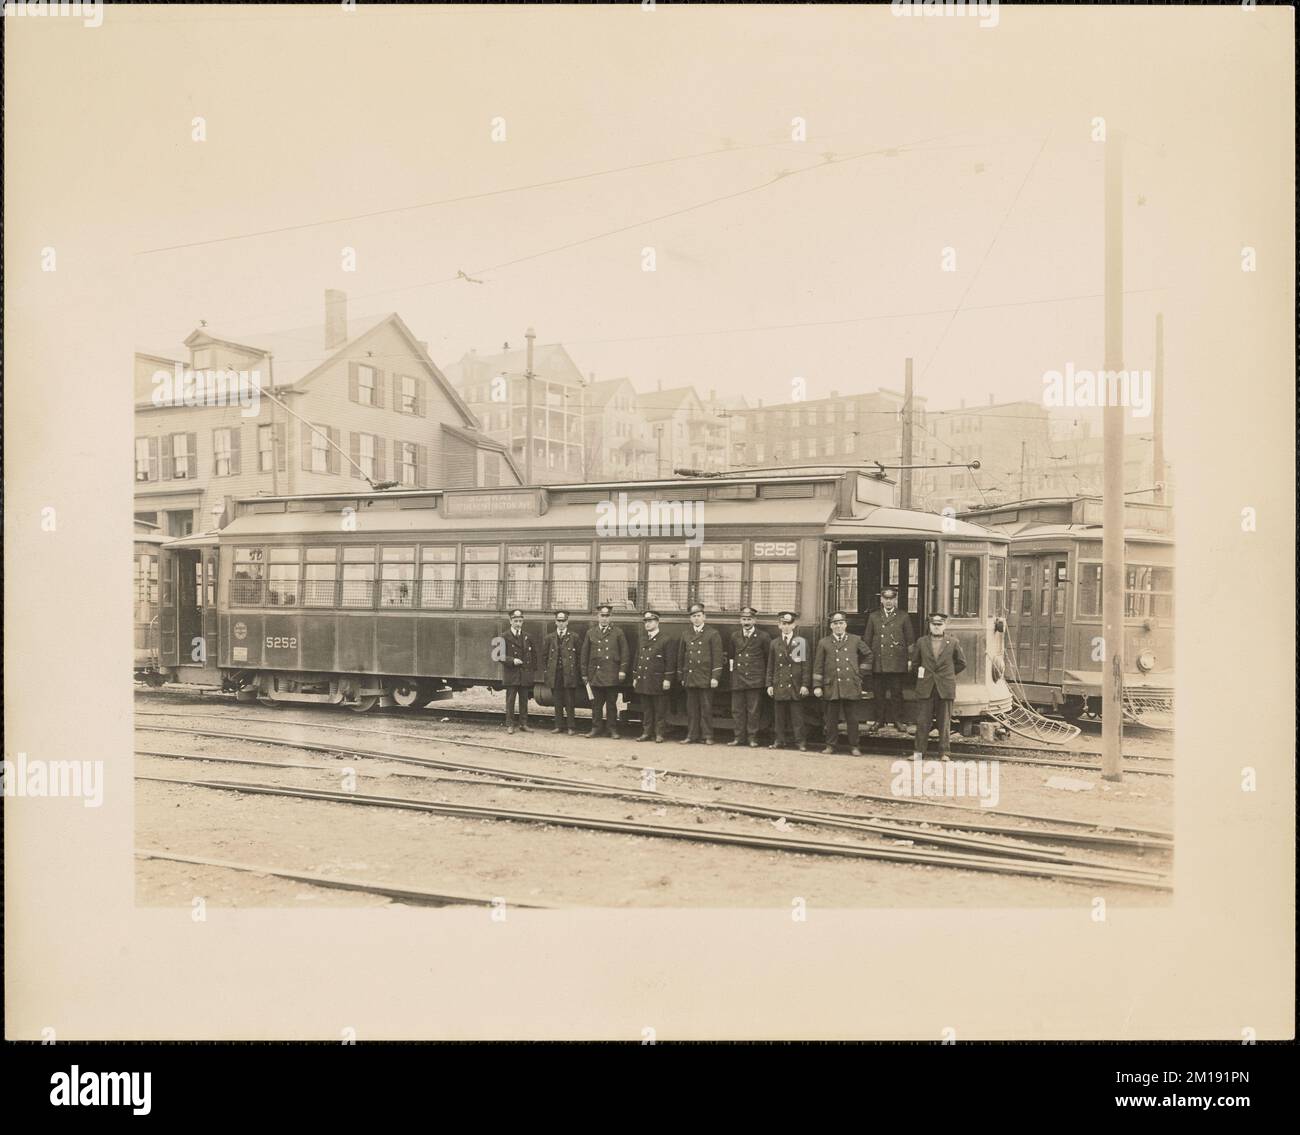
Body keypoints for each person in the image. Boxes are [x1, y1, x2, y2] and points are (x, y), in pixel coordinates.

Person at [812, 611, 872, 756]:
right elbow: (818, 665)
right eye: (835, 624)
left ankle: (854, 746)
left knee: (852, 718)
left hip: (850, 684)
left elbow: (869, 655)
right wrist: (817, 686)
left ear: (845, 625)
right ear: (831, 626)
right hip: (831, 685)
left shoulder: (855, 639)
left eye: (840, 623)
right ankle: (830, 745)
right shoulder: (824, 642)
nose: (838, 626)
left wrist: (859, 673)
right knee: (831, 718)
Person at [910, 612, 967, 761]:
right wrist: (925, 676)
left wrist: (947, 675)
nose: (936, 627)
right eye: (934, 625)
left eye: (939, 624)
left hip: (945, 688)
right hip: (926, 687)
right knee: (922, 722)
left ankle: (944, 753)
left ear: (944, 626)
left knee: (944, 722)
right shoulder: (921, 642)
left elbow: (962, 663)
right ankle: (918, 753)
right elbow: (915, 664)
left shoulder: (953, 642)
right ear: (929, 626)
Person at [863, 587, 916, 734]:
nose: (888, 601)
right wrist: (868, 661)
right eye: (885, 598)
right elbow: (867, 640)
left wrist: (910, 660)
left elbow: (910, 641)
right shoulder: (874, 617)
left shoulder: (903, 616)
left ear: (895, 600)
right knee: (878, 693)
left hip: (897, 662)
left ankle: (898, 720)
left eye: (891, 598)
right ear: (881, 599)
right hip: (878, 661)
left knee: (896, 693)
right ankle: (879, 720)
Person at [677, 602, 724, 744]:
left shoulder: (712, 633)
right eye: (693, 616)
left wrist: (715, 677)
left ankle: (708, 736)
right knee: (691, 709)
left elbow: (717, 657)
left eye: (698, 615)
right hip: (690, 676)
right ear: (690, 619)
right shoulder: (686, 634)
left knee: (706, 708)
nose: (696, 619)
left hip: (705, 677)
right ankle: (691, 735)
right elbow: (681, 656)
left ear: (704, 616)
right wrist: (681, 676)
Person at [581, 603, 628, 738]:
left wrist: (622, 670)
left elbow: (625, 653)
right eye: (602, 616)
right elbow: (585, 654)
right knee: (596, 705)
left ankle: (612, 729)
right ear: (598, 616)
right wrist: (584, 673)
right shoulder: (591, 632)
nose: (604, 619)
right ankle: (596, 728)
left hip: (612, 674)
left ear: (610, 617)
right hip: (595, 674)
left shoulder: (618, 632)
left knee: (611, 705)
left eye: (607, 616)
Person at [766, 610, 810, 751]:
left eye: (788, 624)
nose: (785, 627)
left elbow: (805, 665)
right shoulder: (774, 643)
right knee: (779, 717)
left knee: (797, 717)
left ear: (794, 625)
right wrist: (769, 684)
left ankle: (800, 742)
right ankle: (779, 741)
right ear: (779, 626)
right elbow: (770, 665)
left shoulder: (800, 642)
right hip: (779, 684)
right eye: (783, 624)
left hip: (795, 685)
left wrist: (805, 684)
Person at [728, 605, 770, 748]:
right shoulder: (734, 636)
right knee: (737, 710)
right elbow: (732, 657)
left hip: (755, 678)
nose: (746, 622)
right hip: (738, 678)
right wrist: (733, 675)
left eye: (749, 619)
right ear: (740, 621)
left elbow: (767, 657)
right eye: (744, 619)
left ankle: (752, 738)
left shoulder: (763, 637)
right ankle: (738, 738)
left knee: (753, 710)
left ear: (755, 621)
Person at [632, 610, 675, 743]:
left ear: (657, 622)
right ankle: (646, 732)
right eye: (646, 621)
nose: (648, 624)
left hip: (658, 680)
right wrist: (635, 677)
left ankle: (659, 733)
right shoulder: (643, 638)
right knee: (647, 709)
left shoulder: (666, 639)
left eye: (650, 621)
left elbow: (670, 661)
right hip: (644, 679)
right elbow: (637, 658)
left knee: (660, 709)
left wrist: (667, 679)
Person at [542, 610, 582, 734]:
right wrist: (548, 671)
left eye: (563, 621)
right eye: (558, 621)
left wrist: (575, 672)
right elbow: (544, 656)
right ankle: (558, 726)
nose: (561, 623)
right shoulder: (549, 638)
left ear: (567, 622)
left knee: (570, 701)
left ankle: (571, 727)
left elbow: (579, 656)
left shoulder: (574, 637)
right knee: (557, 701)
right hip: (555, 674)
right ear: (555, 622)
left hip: (569, 674)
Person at [501, 608, 536, 735]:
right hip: (512, 674)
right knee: (510, 700)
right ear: (510, 621)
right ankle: (510, 724)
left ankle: (523, 724)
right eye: (515, 621)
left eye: (520, 621)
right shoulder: (504, 636)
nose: (518, 623)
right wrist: (512, 660)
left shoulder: (527, 636)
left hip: (524, 674)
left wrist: (531, 672)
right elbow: (498, 655)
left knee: (524, 700)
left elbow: (534, 656)